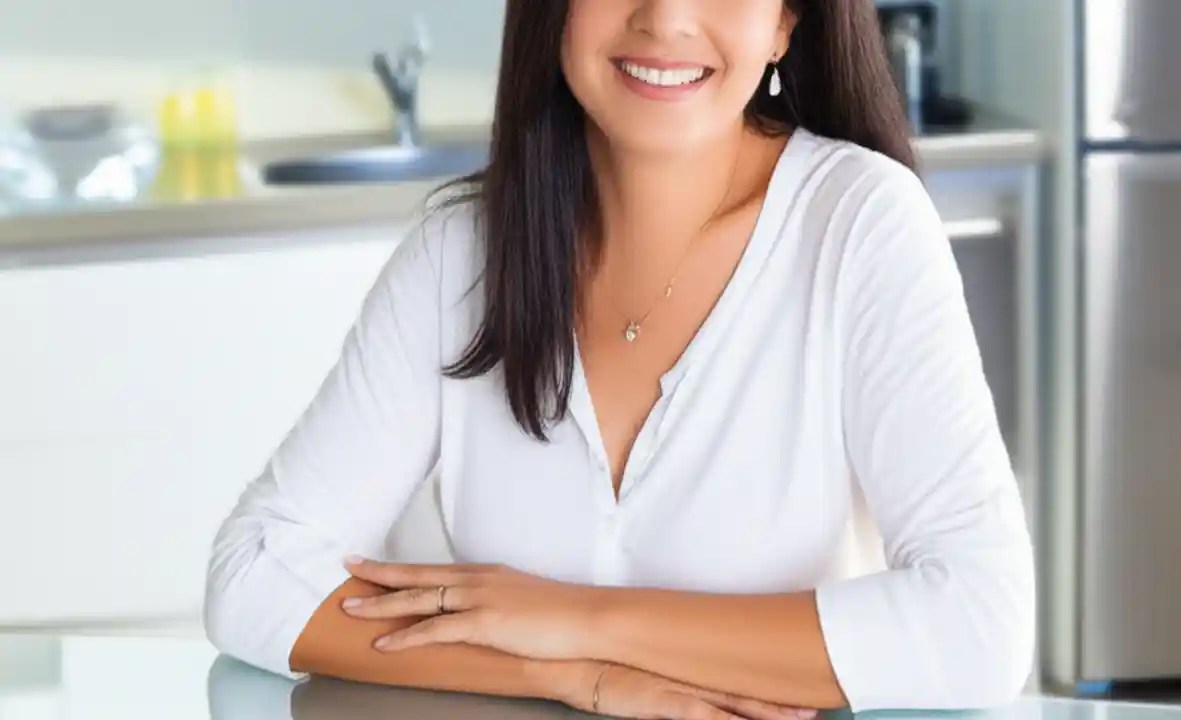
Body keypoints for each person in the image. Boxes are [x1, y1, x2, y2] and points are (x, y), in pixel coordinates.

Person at [203, 0, 1036, 716]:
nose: (664, 19)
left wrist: (575, 618)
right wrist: (568, 675)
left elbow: (981, 625)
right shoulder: (460, 254)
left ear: (785, 20)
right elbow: (253, 575)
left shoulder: (859, 224)